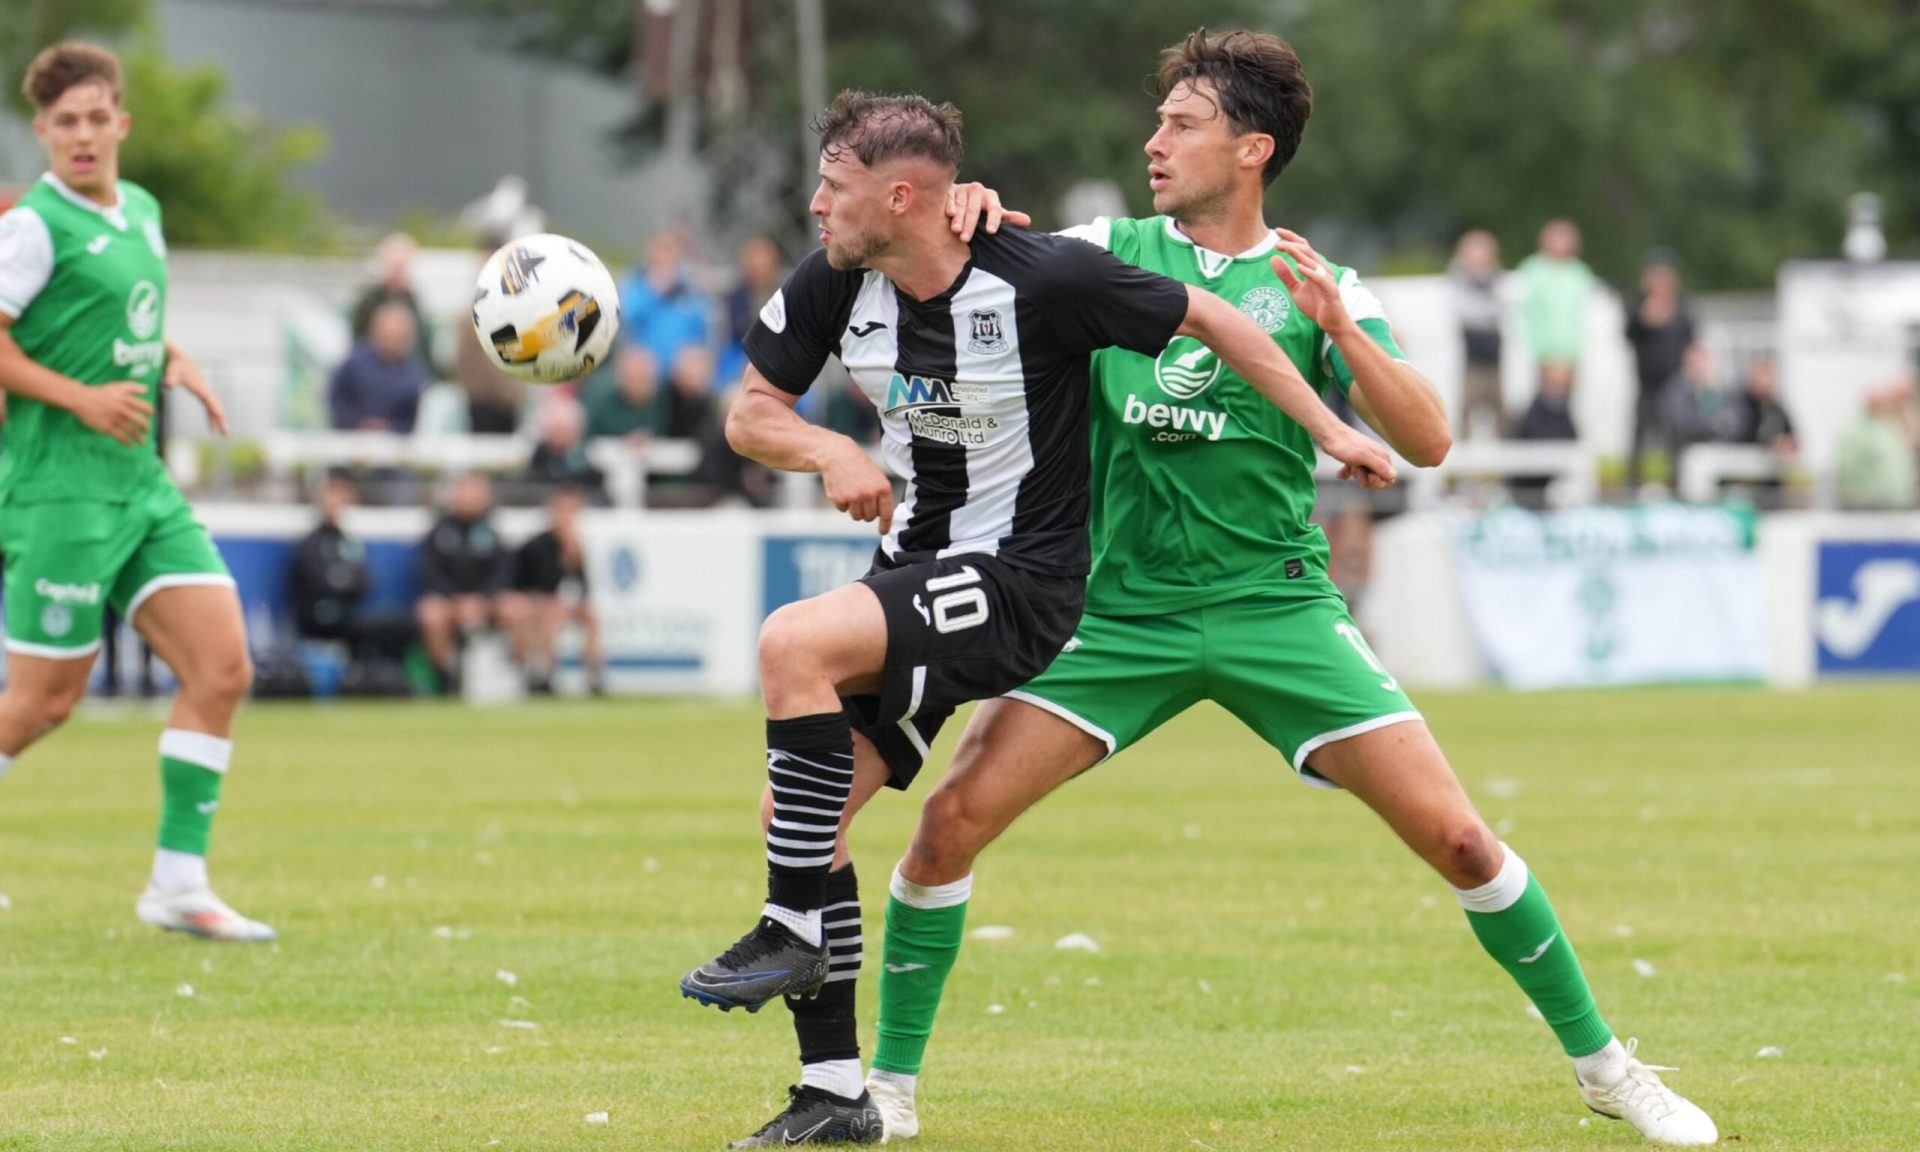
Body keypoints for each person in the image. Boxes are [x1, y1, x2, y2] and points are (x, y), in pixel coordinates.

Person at [867, 29, 1717, 1149]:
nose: (1153, 140)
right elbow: (946, 258)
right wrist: (961, 201)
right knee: (947, 827)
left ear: (1252, 148)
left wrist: (1341, 341)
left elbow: (1427, 438)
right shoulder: (1098, 247)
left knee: (1462, 843)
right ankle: (886, 1092)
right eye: (1159, 118)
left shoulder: (1318, 283)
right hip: (1114, 614)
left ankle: (1608, 1070)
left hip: (1278, 610)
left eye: (1183, 122)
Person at [675, 88, 1393, 1147]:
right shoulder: (837, 281)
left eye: (834, 186)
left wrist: (1334, 429)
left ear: (903, 194)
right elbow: (751, 412)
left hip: (1020, 581)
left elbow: (1218, 320)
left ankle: (788, 929)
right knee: (808, 819)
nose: (815, 205)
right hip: (915, 573)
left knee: (792, 645)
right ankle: (834, 1095)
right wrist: (826, 448)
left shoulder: (1040, 278)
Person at [0, 42, 272, 941]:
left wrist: (171, 356)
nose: (82, 136)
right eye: (63, 123)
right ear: (43, 132)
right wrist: (79, 397)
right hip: (59, 491)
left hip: (139, 484)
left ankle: (176, 885)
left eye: (95, 118)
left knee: (222, 666)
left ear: (121, 121)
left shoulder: (143, 210)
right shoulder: (33, 226)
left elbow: (117, 321)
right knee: (42, 705)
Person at [288, 472, 417, 666]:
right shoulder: (310, 544)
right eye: (332, 497)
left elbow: (365, 582)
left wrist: (343, 581)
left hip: (349, 611)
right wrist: (344, 581)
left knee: (397, 626)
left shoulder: (350, 541)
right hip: (318, 615)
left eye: (342, 498)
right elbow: (317, 584)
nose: (337, 504)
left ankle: (385, 679)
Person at [414, 471, 513, 691]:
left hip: (485, 603)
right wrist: (455, 600)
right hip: (449, 602)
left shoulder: (492, 533)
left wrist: (483, 599)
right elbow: (430, 573)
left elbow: (503, 573)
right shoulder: (438, 533)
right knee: (431, 613)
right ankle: (446, 676)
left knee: (517, 608)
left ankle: (531, 676)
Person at [503, 483, 603, 694]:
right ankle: (545, 676)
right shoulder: (536, 545)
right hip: (535, 604)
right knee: (550, 617)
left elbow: (582, 587)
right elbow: (529, 584)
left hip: (559, 604)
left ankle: (594, 676)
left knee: (591, 617)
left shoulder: (575, 546)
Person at [1624, 255, 1695, 488]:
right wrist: (1648, 317)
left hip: (1674, 383)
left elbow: (1690, 340)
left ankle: (1676, 483)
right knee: (1641, 434)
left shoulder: (1681, 309)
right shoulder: (1639, 308)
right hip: (1646, 382)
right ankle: (1633, 483)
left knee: (1675, 434)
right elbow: (1629, 333)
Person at [1516, 218, 1595, 393]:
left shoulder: (1580, 273)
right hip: (1540, 353)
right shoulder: (1532, 269)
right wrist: (1545, 354)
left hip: (1573, 355)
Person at [329, 299, 428, 434]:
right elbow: (337, 401)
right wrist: (358, 423)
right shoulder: (353, 365)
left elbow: (410, 419)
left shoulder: (412, 375)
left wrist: (389, 427)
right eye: (388, 334)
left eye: (397, 335)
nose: (392, 340)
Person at [348, 231, 435, 372]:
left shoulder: (414, 303)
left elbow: (423, 347)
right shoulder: (369, 302)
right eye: (394, 265)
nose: (397, 271)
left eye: (401, 266)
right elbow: (357, 342)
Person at [1449, 229, 1505, 439]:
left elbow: (1501, 307)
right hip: (1472, 360)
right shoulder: (1459, 281)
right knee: (1466, 410)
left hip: (1495, 358)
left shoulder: (1494, 277)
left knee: (1500, 412)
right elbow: (1468, 312)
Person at [1835, 376, 1918, 511]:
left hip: (1898, 503)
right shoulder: (1856, 430)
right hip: (1870, 505)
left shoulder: (1889, 425)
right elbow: (1848, 470)